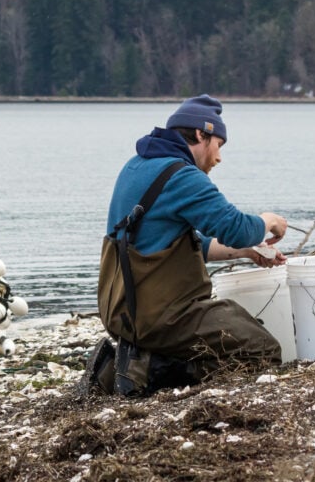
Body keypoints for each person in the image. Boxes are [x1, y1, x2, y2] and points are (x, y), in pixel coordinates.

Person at [86, 94, 289, 396]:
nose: (218, 157)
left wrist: (246, 251)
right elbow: (235, 227)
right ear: (200, 134)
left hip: (123, 312)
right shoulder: (183, 177)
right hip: (161, 316)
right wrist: (268, 220)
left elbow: (193, 244)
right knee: (262, 348)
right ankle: (150, 370)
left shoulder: (137, 166)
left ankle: (129, 359)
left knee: (235, 328)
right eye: (218, 145)